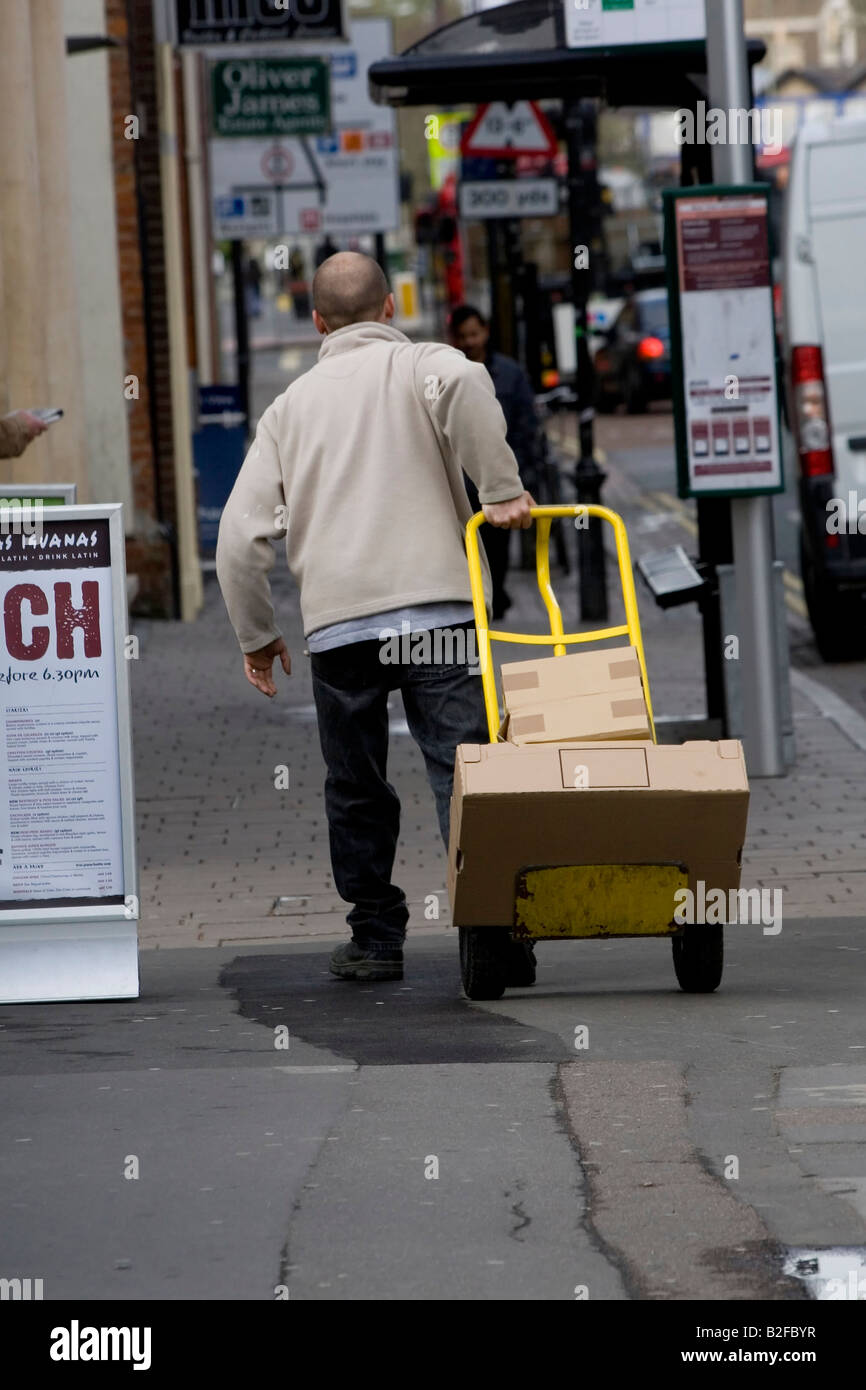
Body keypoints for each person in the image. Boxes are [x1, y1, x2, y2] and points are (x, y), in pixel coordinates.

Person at [216, 252, 536, 985]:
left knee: (355, 781)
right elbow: (464, 380)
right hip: (438, 614)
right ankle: (492, 930)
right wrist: (501, 489)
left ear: (320, 323)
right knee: (462, 771)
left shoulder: (288, 409)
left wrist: (258, 634)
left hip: (341, 628)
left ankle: (375, 938)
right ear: (391, 308)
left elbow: (239, 535)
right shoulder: (424, 365)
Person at [448, 305, 540, 618]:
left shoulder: (510, 373)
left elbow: (528, 426)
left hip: (501, 480)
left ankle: (495, 598)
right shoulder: (447, 373)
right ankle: (481, 601)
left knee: (498, 549)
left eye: (474, 334)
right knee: (469, 548)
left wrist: (523, 474)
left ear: (485, 331)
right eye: (463, 336)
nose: (470, 341)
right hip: (461, 483)